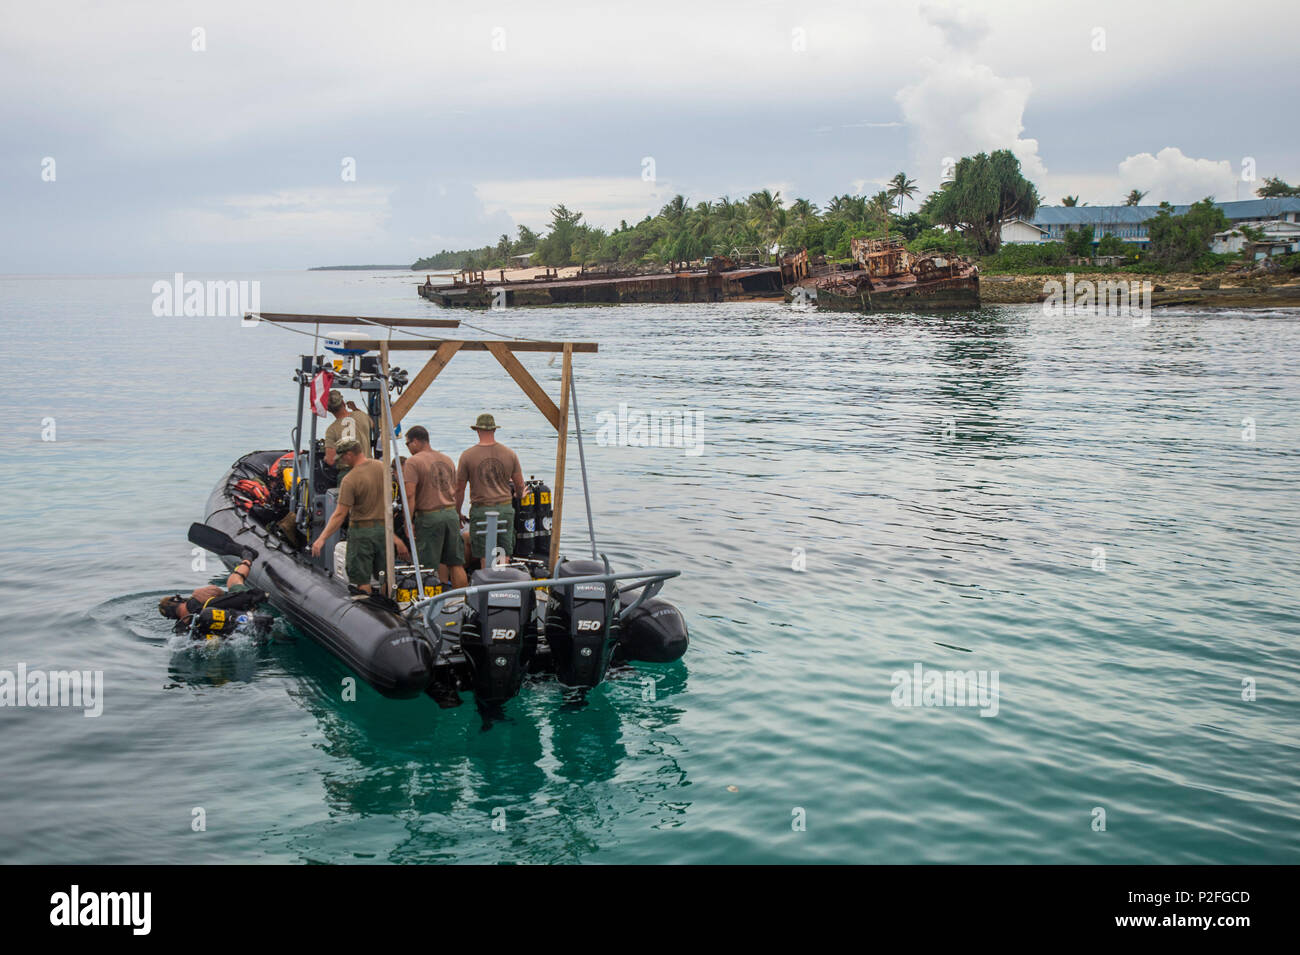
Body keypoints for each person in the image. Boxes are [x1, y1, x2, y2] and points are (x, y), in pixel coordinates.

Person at [311, 438, 387, 592]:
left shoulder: (350, 479)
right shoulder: (381, 468)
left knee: (361, 576)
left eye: (343, 457)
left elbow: (339, 515)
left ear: (350, 454)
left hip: (362, 532)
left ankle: (368, 608)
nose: (343, 462)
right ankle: (389, 607)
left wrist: (321, 539)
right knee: (383, 574)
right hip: (384, 530)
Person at [402, 426, 468, 590]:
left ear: (415, 441)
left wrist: (407, 522)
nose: (408, 448)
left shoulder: (413, 462)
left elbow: (409, 494)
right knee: (455, 563)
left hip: (429, 517)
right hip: (450, 514)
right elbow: (456, 488)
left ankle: (429, 607)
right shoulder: (447, 459)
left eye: (407, 444)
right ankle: (462, 600)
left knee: (427, 567)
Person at [456, 413, 524, 566]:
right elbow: (520, 484)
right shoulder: (510, 453)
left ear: (477, 431)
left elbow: (459, 489)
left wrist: (457, 511)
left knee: (486, 553)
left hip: (481, 509)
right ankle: (502, 586)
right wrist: (518, 496)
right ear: (494, 430)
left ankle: (487, 585)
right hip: (505, 508)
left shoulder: (467, 456)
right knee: (503, 552)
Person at [158, 554, 260, 634]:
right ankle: (247, 559)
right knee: (233, 581)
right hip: (243, 607)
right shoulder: (198, 595)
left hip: (234, 630)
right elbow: (218, 591)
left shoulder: (183, 628)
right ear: (176, 599)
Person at [323, 390, 373, 478]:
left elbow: (330, 460)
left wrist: (325, 458)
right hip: (368, 469)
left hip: (348, 474)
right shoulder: (361, 415)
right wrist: (355, 409)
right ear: (343, 403)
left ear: (328, 410)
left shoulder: (331, 430)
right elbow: (372, 424)